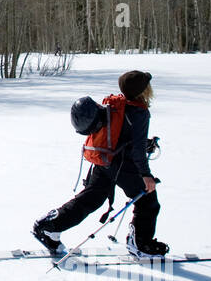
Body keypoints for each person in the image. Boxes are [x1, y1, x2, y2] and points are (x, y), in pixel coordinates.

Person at [33, 70, 168, 258]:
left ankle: (50, 226)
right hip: (123, 165)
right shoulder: (139, 112)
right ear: (143, 90)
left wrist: (144, 143)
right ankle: (140, 244)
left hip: (104, 160)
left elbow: (122, 136)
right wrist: (146, 175)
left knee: (91, 199)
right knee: (147, 201)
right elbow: (135, 150)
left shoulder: (117, 106)